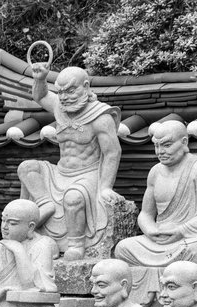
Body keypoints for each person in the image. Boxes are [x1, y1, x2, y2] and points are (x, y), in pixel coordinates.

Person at [18, 65, 122, 260]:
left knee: (73, 197)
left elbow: (112, 153)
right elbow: (40, 97)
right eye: (61, 91)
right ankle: (45, 203)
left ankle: (75, 244)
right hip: (61, 172)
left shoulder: (101, 116)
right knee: (27, 168)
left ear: (86, 86)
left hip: (87, 173)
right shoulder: (60, 106)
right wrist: (40, 79)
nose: (64, 97)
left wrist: (105, 187)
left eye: (71, 91)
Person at [113, 121, 197, 302]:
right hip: (159, 240)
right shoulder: (155, 172)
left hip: (188, 238)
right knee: (122, 248)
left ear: (184, 142)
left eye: (166, 145)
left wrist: (180, 231)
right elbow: (146, 214)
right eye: (156, 146)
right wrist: (150, 230)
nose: (160, 151)